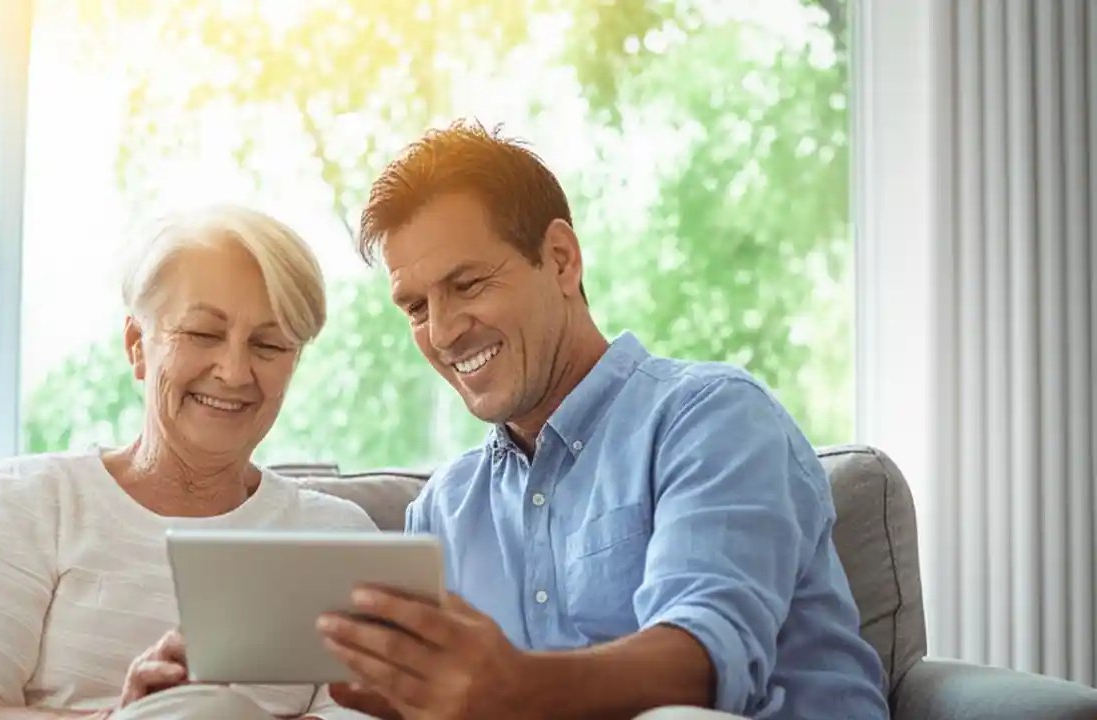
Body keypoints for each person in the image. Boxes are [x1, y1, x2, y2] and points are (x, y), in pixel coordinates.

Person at [314, 121, 891, 720]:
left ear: (561, 260)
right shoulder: (445, 510)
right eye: (415, 307)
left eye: (467, 284)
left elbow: (705, 663)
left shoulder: (711, 417)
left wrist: (514, 688)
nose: (442, 331)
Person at [0, 206, 375, 720]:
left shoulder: (337, 535)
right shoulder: (35, 499)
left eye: (268, 344)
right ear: (137, 346)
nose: (235, 371)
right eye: (202, 333)